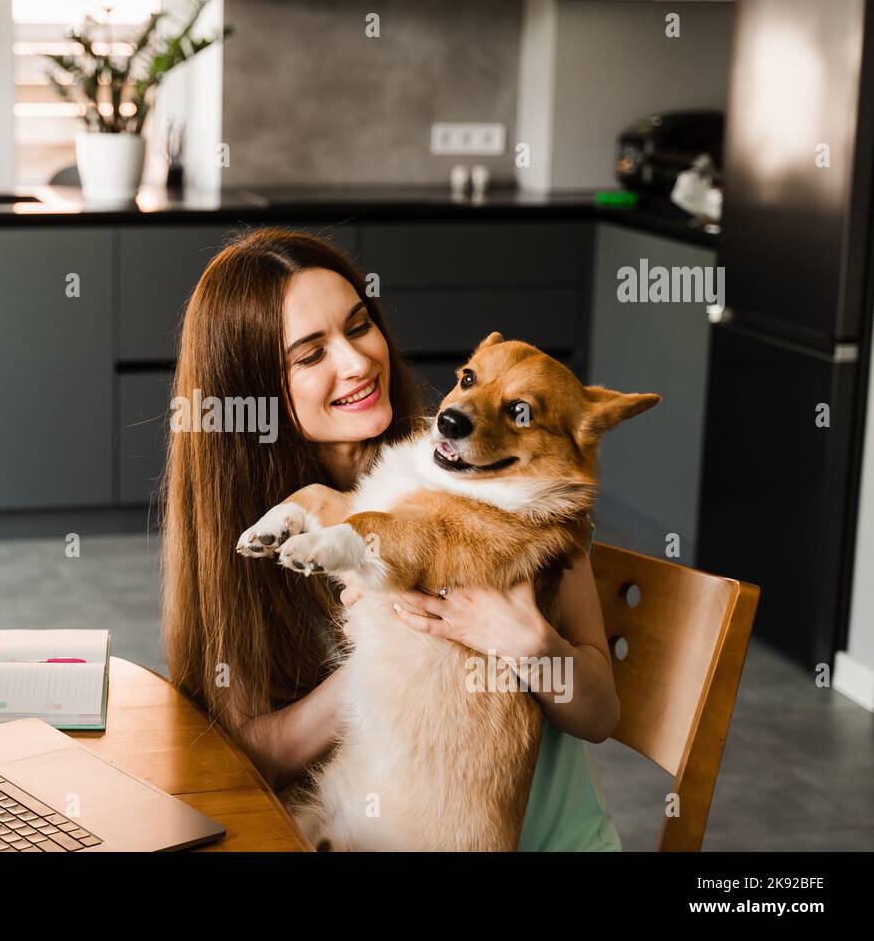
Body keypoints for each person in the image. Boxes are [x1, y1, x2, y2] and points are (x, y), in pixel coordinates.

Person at [160, 227, 622, 851]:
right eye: (311, 354)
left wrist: (527, 643)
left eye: (357, 327)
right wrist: (395, 652)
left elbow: (599, 715)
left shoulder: (510, 490)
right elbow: (250, 755)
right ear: (254, 392)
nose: (355, 363)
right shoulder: (262, 530)